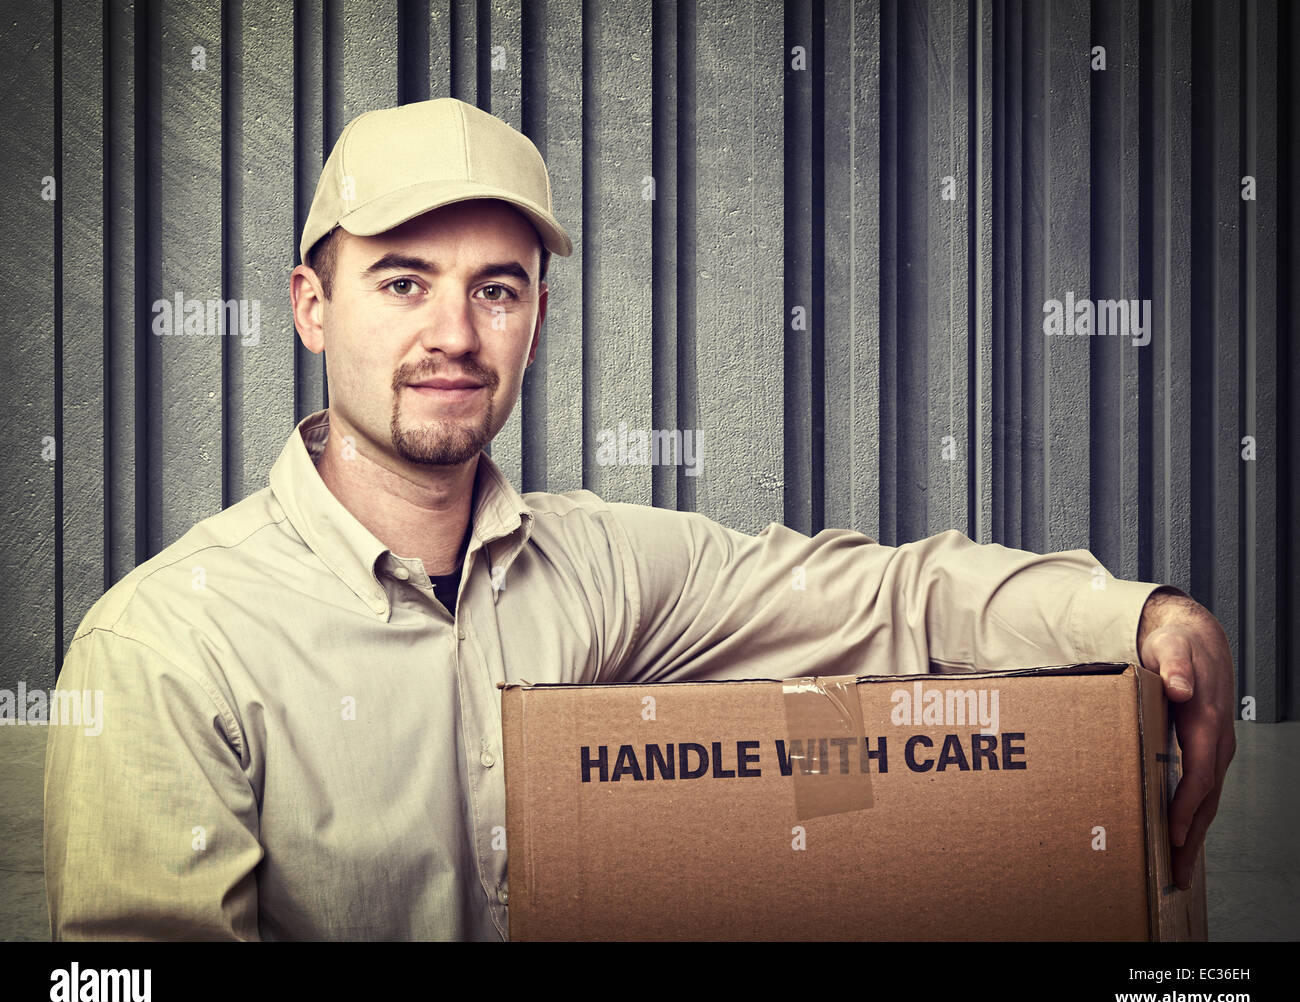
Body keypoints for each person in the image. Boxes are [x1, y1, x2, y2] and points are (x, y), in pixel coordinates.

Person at [44, 97, 1235, 941]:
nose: (454, 335)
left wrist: (1139, 614)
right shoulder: (164, 648)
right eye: (403, 280)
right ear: (311, 306)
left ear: (537, 317)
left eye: (494, 291)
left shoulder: (598, 568)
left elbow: (881, 598)